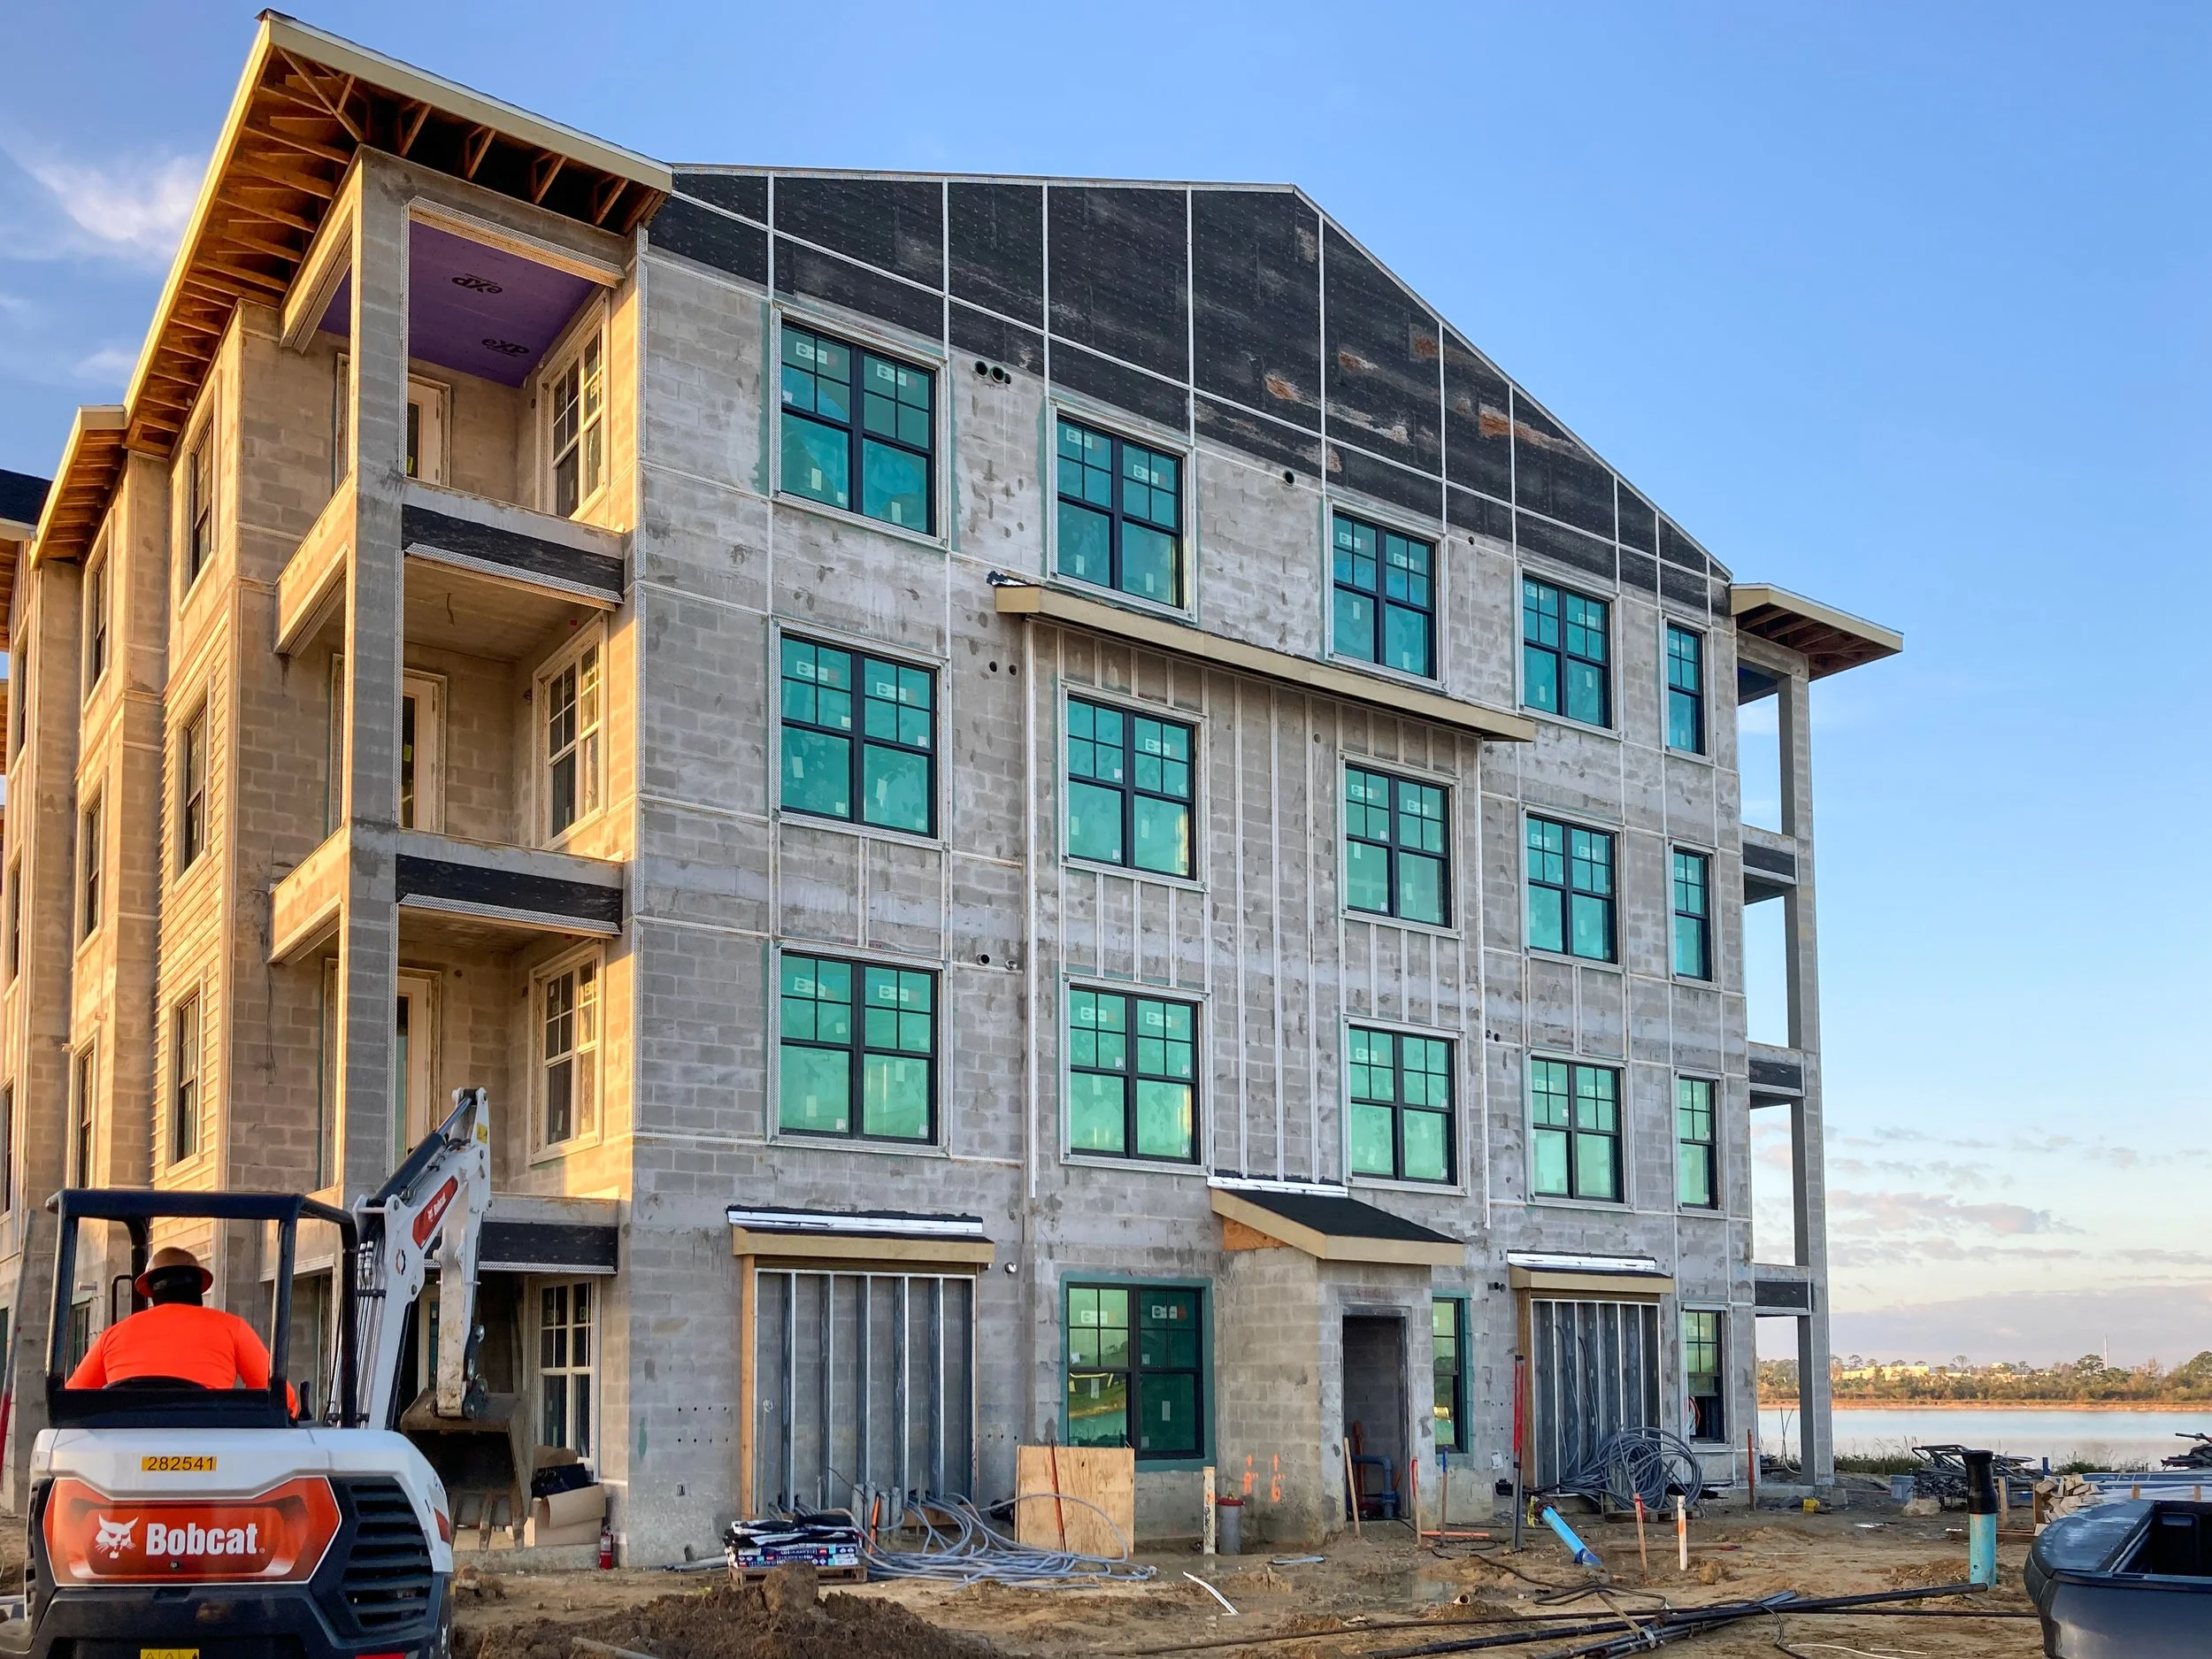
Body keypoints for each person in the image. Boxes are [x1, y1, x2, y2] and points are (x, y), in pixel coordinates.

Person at [67, 1246, 296, 1410]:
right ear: (199, 1287)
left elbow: (71, 1401)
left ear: (151, 1292)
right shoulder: (232, 1328)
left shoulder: (113, 1336)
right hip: (210, 1459)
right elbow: (282, 1400)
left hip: (124, 1462)